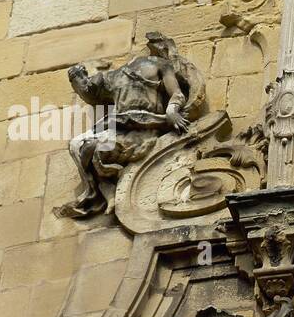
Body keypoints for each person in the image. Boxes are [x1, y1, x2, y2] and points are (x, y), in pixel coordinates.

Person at [58, 32, 204, 218]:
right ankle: (103, 188)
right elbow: (88, 92)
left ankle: (105, 187)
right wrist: (76, 75)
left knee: (95, 148)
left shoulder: (161, 66)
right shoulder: (115, 75)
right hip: (119, 124)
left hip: (143, 128)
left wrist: (171, 111)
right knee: (75, 145)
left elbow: (177, 94)